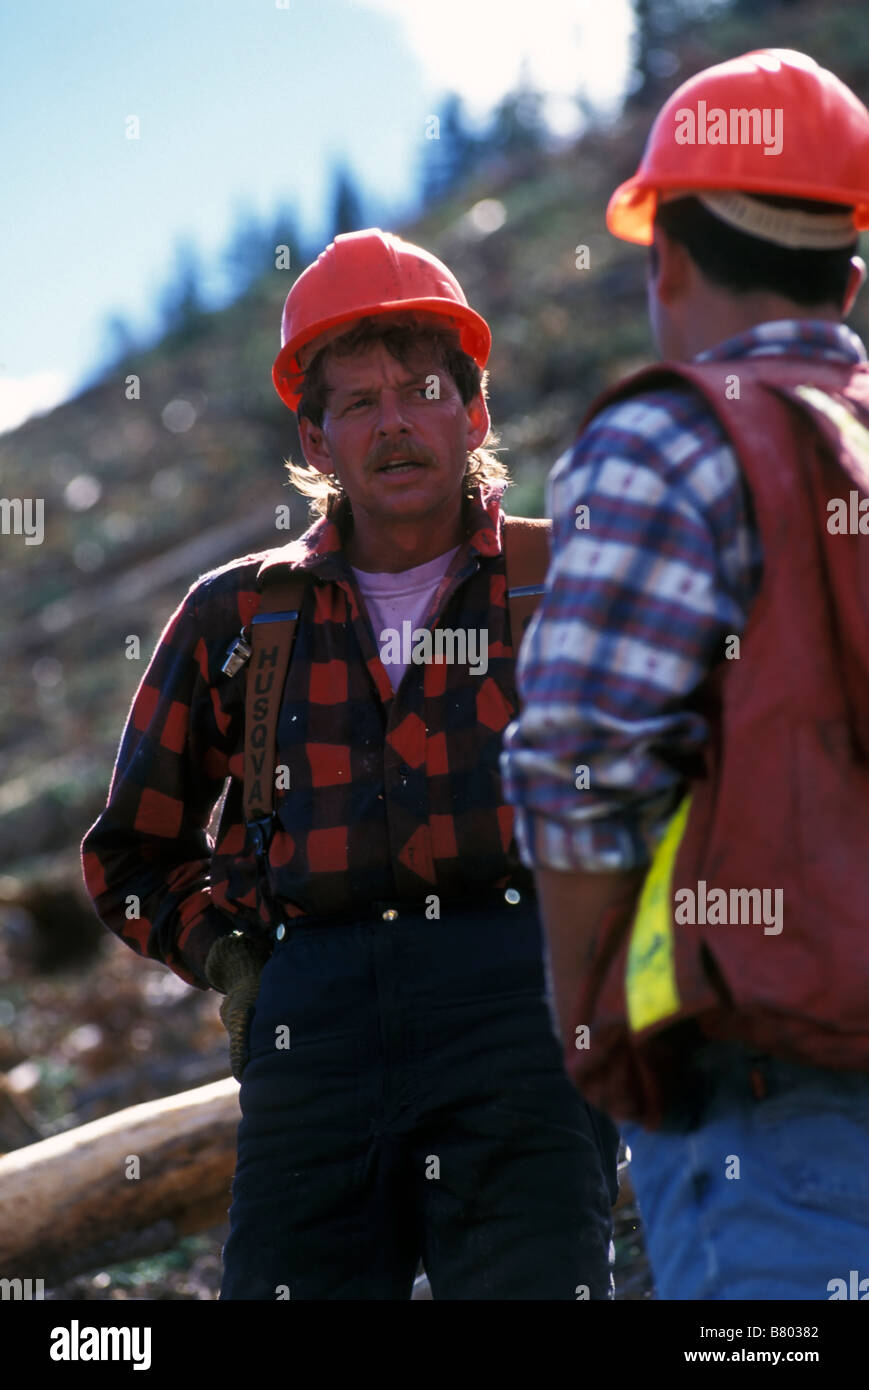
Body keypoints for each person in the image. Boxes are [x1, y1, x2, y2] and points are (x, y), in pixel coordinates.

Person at [81, 227, 619, 1301]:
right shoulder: (237, 614)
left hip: (527, 1019)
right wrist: (235, 965)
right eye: (358, 402)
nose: (394, 423)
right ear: (315, 440)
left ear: (472, 411)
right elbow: (131, 851)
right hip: (310, 1028)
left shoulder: (569, 579)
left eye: (420, 391)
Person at [501, 49, 869, 1300]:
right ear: (850, 277)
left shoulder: (668, 437)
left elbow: (574, 765)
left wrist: (593, 1029)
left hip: (763, 1087)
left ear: (665, 257)